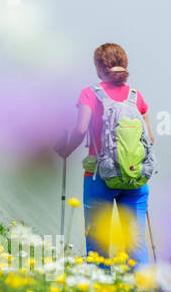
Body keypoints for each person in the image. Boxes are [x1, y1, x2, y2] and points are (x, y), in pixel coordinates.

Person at [55, 43, 154, 265]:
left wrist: (65, 150)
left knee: (98, 241)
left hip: (99, 176)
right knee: (135, 242)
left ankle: (98, 291)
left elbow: (81, 129)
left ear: (99, 68)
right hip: (135, 178)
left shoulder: (90, 93)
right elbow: (150, 138)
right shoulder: (136, 97)